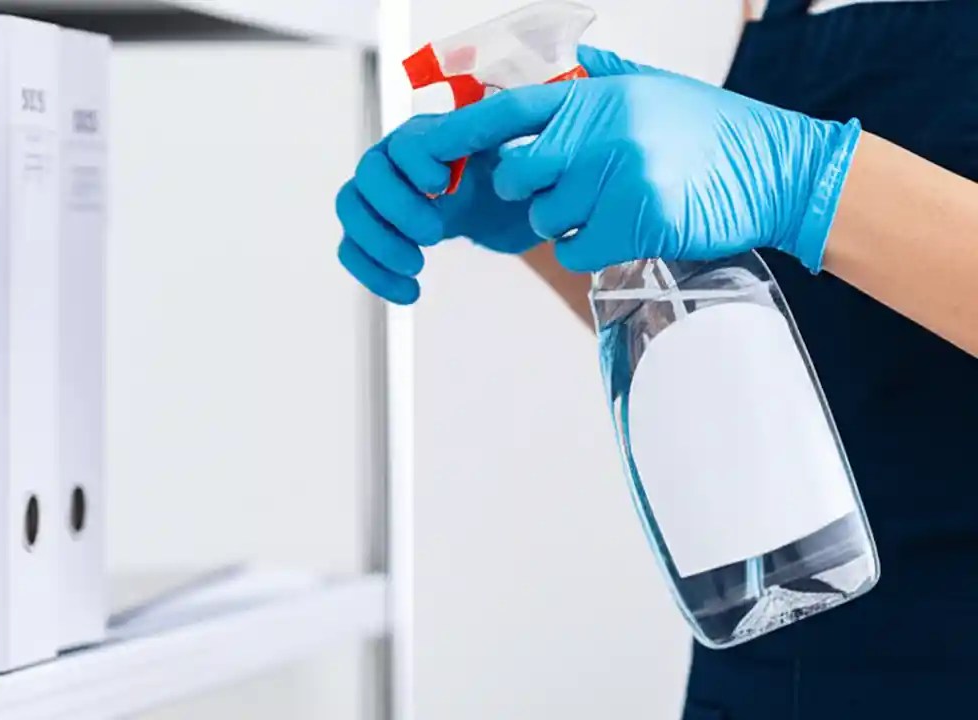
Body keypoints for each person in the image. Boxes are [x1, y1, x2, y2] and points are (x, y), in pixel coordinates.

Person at [335, 0, 978, 717]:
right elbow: (807, 345)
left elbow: (806, 199)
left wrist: (807, 177)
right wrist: (555, 229)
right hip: (765, 663)